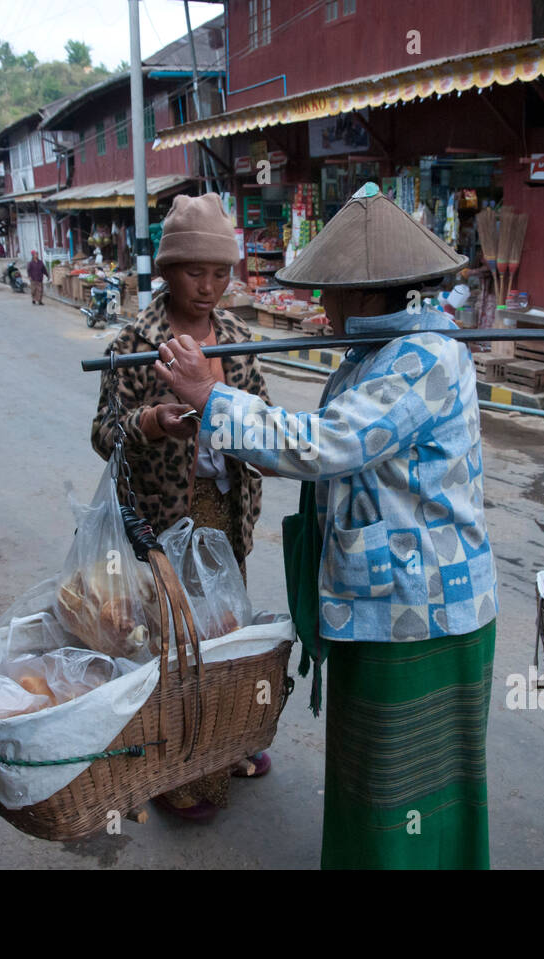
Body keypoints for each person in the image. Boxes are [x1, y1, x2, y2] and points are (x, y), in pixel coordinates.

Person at [154, 184, 498, 869]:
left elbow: (325, 445)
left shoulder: (423, 357)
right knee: (371, 780)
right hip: (382, 601)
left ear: (368, 294)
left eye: (331, 292)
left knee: (407, 791)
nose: (323, 306)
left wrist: (209, 397)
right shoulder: (374, 356)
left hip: (421, 609)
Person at [90, 192, 273, 822]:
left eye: (221, 272)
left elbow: (266, 427)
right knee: (176, 648)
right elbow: (102, 434)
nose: (209, 286)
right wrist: (150, 423)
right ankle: (181, 775)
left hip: (227, 511)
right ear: (166, 272)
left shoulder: (241, 340)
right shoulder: (136, 343)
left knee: (229, 640)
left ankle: (232, 746)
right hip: (164, 522)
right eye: (196, 272)